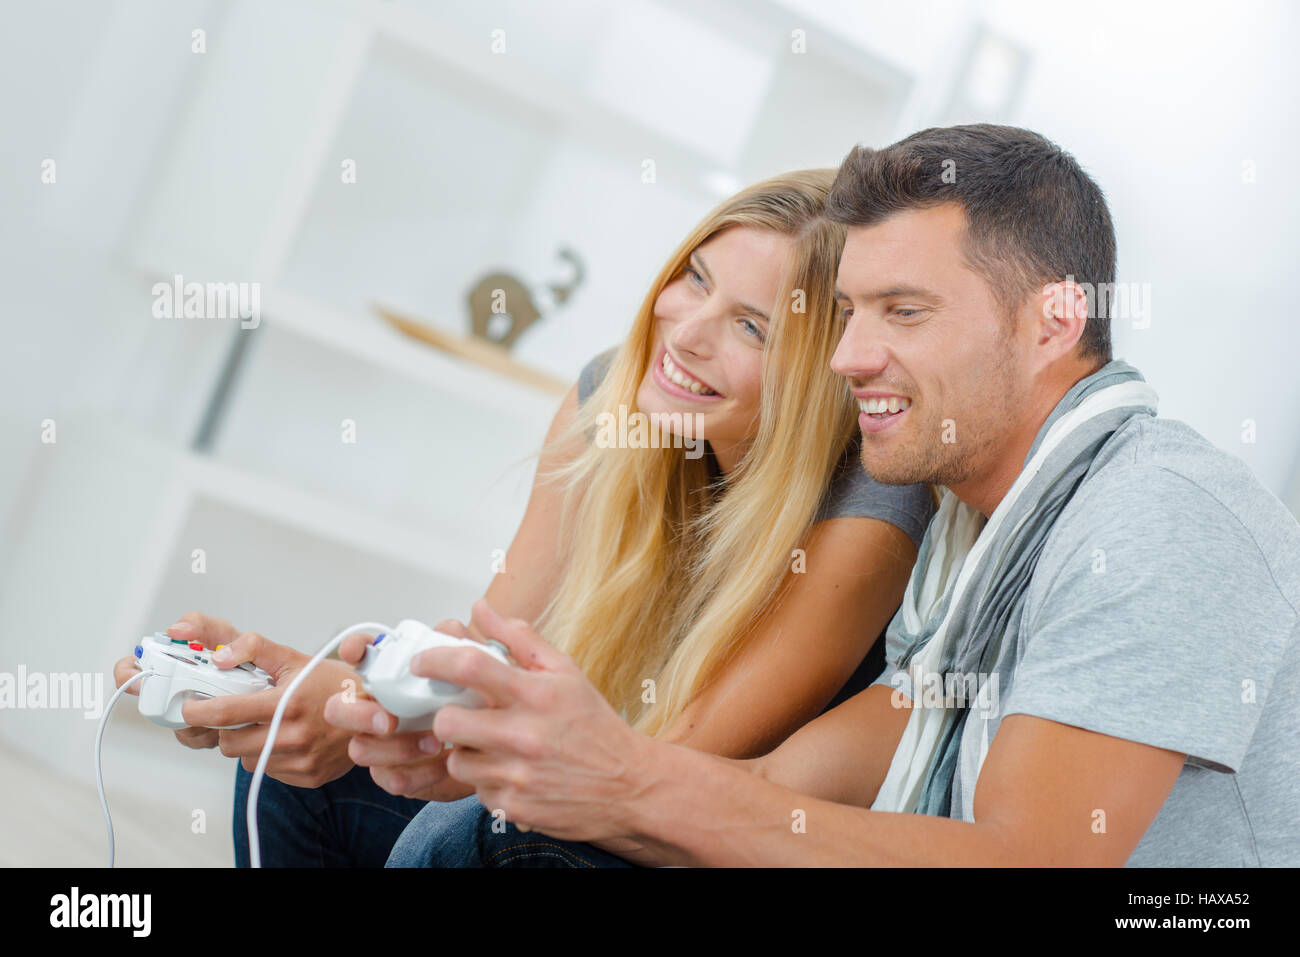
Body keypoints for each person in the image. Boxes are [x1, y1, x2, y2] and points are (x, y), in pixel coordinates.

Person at [389, 124, 1300, 867]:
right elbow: (783, 787)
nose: (847, 357)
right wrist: (537, 757)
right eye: (850, 311)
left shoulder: (1160, 516)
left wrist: (627, 783)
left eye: (904, 312)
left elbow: (1027, 863)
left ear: (1053, 322)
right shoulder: (970, 545)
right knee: (483, 825)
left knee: (478, 843)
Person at [112, 169, 937, 866]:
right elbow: (491, 645)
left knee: (463, 830)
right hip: (601, 780)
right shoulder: (613, 395)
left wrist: (462, 763)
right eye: (694, 279)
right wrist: (346, 701)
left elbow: (670, 766)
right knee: (301, 777)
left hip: (692, 829)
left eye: (750, 327)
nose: (685, 333)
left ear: (819, 377)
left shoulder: (870, 504)